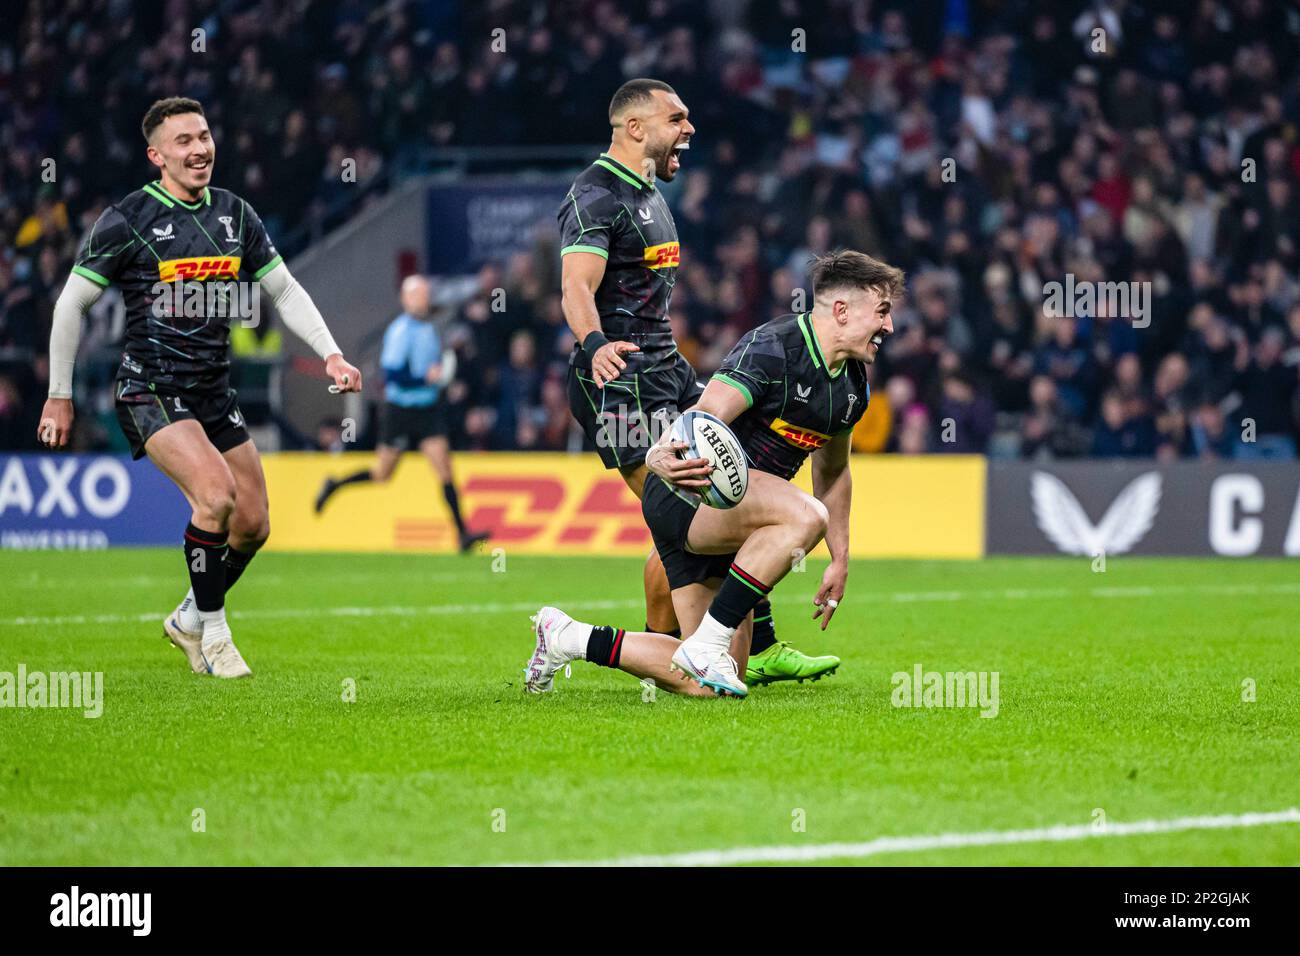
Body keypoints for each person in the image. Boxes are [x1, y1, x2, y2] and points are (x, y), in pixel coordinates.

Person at [37, 97, 363, 678]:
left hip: (213, 392)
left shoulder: (235, 215)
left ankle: (190, 617)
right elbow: (73, 302)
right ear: (156, 156)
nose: (199, 149)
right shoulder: (129, 217)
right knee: (215, 497)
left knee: (254, 522)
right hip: (151, 388)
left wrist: (331, 354)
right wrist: (59, 393)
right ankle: (214, 637)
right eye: (183, 141)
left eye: (204, 136)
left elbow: (283, 292)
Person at [559, 77, 838, 686]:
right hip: (620, 386)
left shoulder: (652, 195)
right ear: (635, 128)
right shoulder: (595, 196)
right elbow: (577, 285)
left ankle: (712, 647)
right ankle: (660, 648)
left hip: (670, 374)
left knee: (709, 504)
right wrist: (594, 342)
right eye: (677, 118)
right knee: (681, 511)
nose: (689, 128)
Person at [526, 250, 900, 697]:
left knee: (713, 683)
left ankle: (568, 637)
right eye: (883, 312)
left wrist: (840, 557)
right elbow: (706, 415)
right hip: (690, 493)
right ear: (841, 310)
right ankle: (710, 639)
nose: (889, 327)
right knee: (806, 516)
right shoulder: (775, 348)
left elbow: (835, 471)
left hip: (730, 519)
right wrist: (660, 451)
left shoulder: (853, 385)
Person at [313, 275, 489, 553]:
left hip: (427, 410)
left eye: (426, 293)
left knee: (444, 468)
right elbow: (392, 374)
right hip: (401, 410)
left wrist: (441, 381)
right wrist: (426, 379)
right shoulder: (400, 331)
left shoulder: (429, 329)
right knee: (383, 473)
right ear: (406, 299)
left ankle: (463, 534)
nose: (425, 298)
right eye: (419, 294)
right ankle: (335, 484)